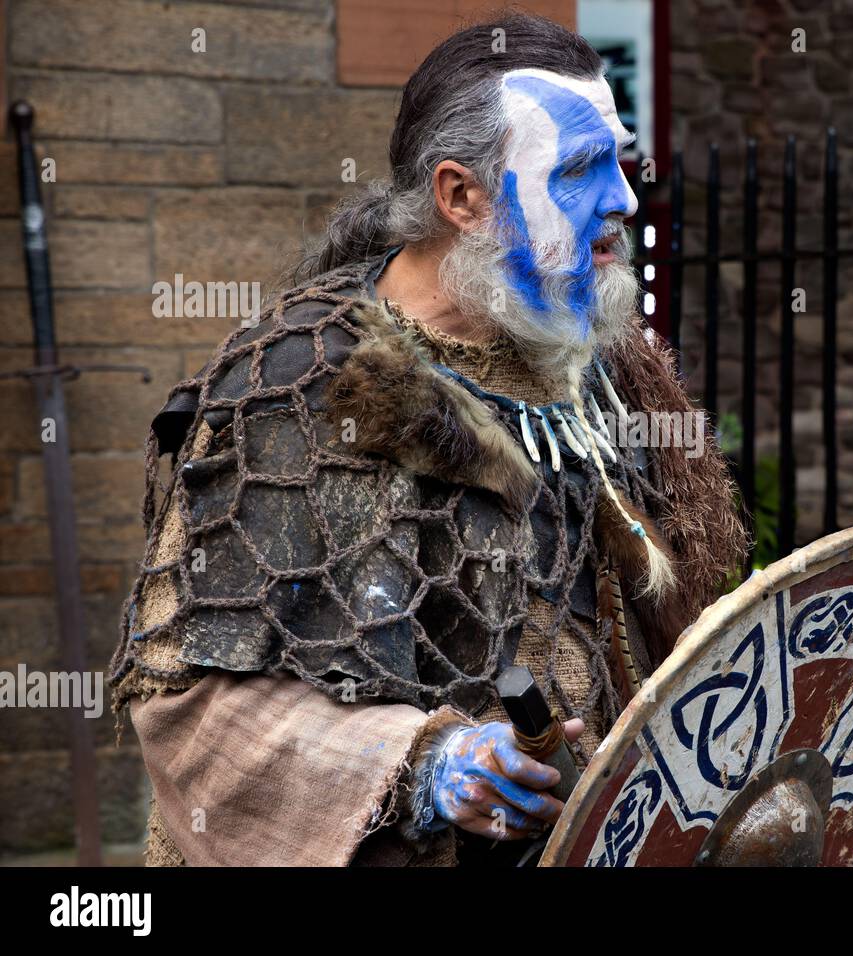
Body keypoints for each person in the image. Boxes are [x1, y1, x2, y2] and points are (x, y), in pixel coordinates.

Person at [109, 13, 746, 867]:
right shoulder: (307, 382)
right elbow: (194, 708)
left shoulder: (594, 362)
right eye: (582, 167)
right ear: (461, 198)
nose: (626, 198)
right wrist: (427, 768)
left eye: (620, 159)